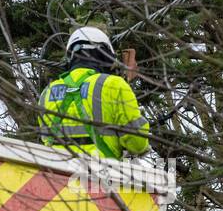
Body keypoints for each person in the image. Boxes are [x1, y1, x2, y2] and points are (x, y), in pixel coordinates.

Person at [37, 25, 149, 159]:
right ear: (105, 56)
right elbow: (137, 143)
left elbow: (46, 139)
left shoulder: (47, 93)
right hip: (100, 173)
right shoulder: (114, 84)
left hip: (54, 174)